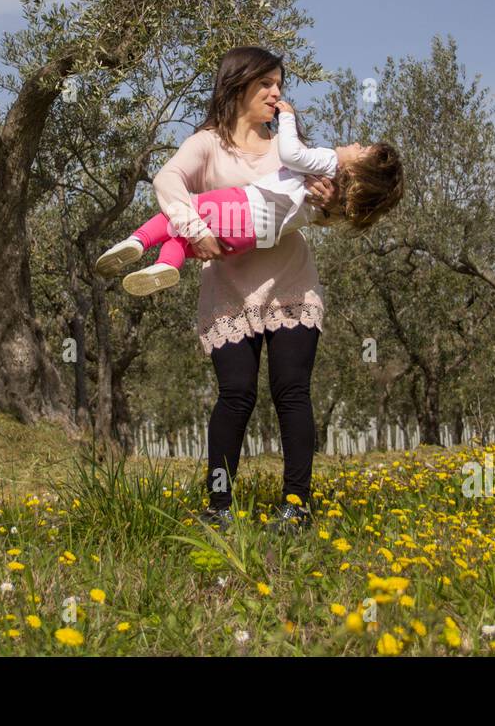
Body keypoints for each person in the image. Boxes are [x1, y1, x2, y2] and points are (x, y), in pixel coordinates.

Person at [99, 46, 372, 536]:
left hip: (290, 283)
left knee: (292, 394)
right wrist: (190, 227)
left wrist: (332, 207)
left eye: (280, 84)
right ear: (237, 86)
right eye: (266, 83)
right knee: (235, 395)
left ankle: (297, 507)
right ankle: (218, 504)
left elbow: (318, 215)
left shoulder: (290, 145)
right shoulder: (208, 144)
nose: (276, 93)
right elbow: (169, 180)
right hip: (228, 289)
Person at [95, 105, 403, 295]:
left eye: (362, 150)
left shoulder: (327, 161)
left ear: (357, 168)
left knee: (180, 213)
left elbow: (290, 153)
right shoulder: (332, 204)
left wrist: (288, 118)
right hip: (251, 238)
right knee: (181, 238)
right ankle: (164, 267)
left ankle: (136, 241)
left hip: (244, 208)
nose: (356, 143)